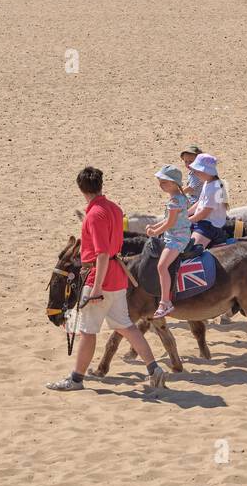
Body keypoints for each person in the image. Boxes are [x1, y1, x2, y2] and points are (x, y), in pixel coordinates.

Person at [47, 167, 165, 394]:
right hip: (117, 276)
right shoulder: (115, 209)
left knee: (88, 332)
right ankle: (154, 369)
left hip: (99, 278)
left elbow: (101, 254)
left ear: (81, 189)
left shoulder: (94, 214)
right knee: (127, 327)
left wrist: (95, 289)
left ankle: (76, 379)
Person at [145, 166, 192, 319]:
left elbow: (170, 223)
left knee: (162, 266)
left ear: (173, 183)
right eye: (160, 182)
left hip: (177, 238)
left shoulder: (174, 201)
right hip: (179, 234)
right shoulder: (181, 197)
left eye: (164, 182)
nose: (161, 185)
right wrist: (155, 226)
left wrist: (155, 232)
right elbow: (168, 220)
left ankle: (165, 302)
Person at [186, 153, 229, 249]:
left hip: (209, 226)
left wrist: (187, 220)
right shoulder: (207, 183)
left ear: (207, 172)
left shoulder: (215, 188)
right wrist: (186, 213)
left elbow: (205, 213)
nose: (195, 173)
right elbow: (200, 202)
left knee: (191, 251)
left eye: (198, 171)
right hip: (201, 221)